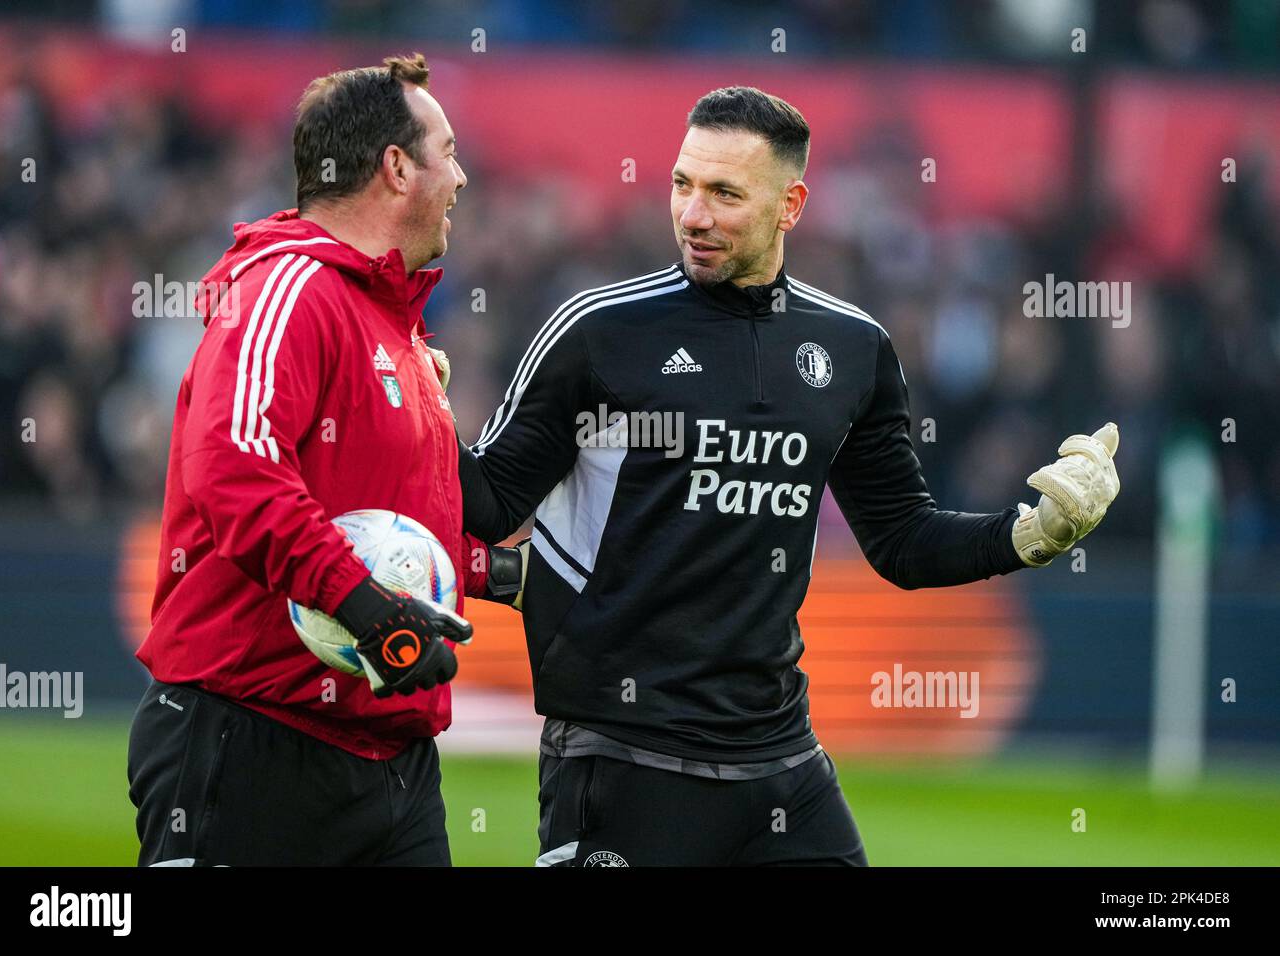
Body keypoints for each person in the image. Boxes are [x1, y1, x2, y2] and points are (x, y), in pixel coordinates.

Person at [458, 86, 1120, 866]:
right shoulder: (598, 333)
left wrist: (1031, 535)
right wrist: (408, 412)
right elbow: (489, 500)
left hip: (781, 766)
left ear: (790, 204)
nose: (694, 215)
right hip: (623, 761)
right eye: (683, 185)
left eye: (725, 194)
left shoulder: (852, 350)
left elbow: (902, 541)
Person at [128, 54, 523, 867]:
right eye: (447, 152)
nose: (462, 176)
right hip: (252, 736)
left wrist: (500, 576)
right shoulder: (287, 288)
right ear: (396, 167)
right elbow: (235, 473)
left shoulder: (398, 327)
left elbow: (380, 522)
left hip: (392, 757)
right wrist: (368, 611)